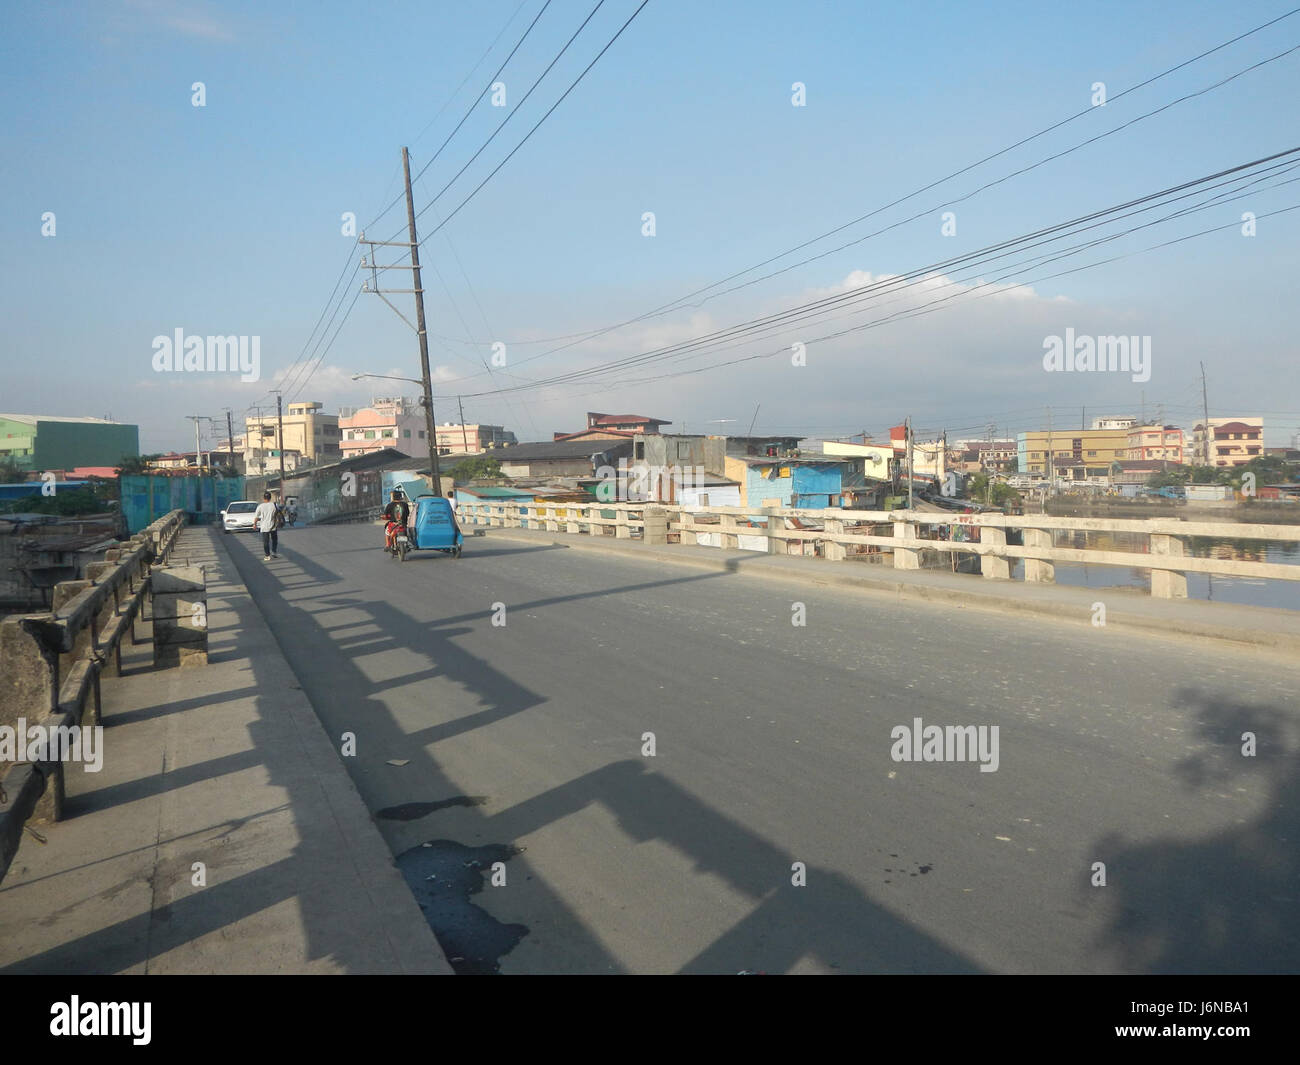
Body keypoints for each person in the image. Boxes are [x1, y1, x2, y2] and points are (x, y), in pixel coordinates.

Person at [253, 491, 282, 560]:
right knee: (274, 540)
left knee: (266, 542)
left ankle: (267, 555)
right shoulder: (274, 505)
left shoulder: (260, 506)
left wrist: (254, 524)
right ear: (270, 498)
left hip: (264, 526)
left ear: (264, 498)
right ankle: (274, 552)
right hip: (273, 526)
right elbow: (279, 513)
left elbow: (256, 517)